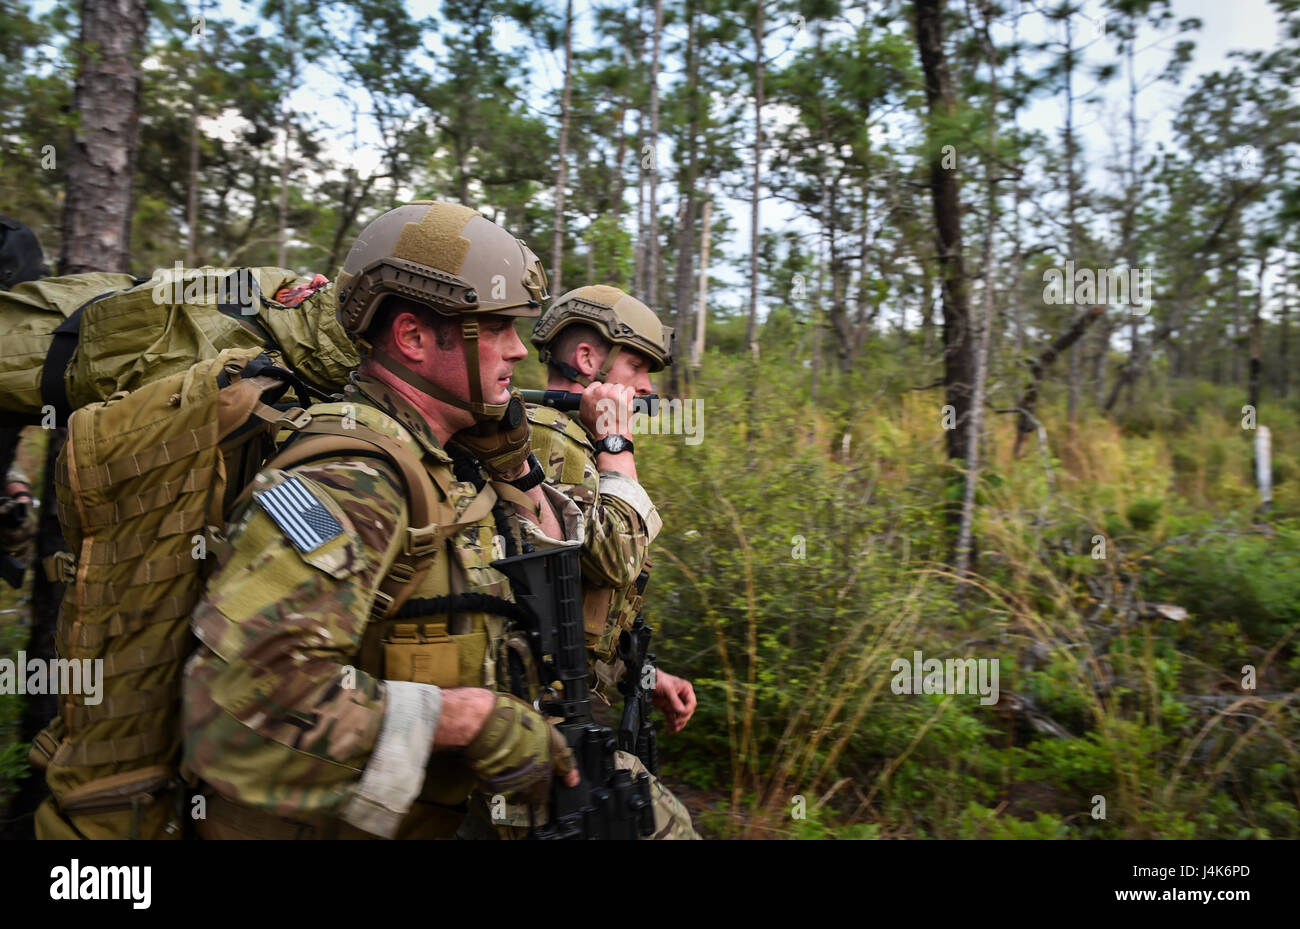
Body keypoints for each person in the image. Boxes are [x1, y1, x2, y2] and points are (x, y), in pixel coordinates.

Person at [182, 200, 580, 840]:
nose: (518, 350)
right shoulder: (352, 478)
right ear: (414, 339)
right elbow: (239, 710)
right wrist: (467, 720)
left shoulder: (445, 457)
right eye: (498, 327)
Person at [526, 284, 699, 839]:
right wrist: (617, 445)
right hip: (527, 721)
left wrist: (641, 673)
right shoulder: (555, 442)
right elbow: (617, 558)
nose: (648, 386)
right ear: (586, 359)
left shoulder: (569, 440)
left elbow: (564, 601)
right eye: (638, 364)